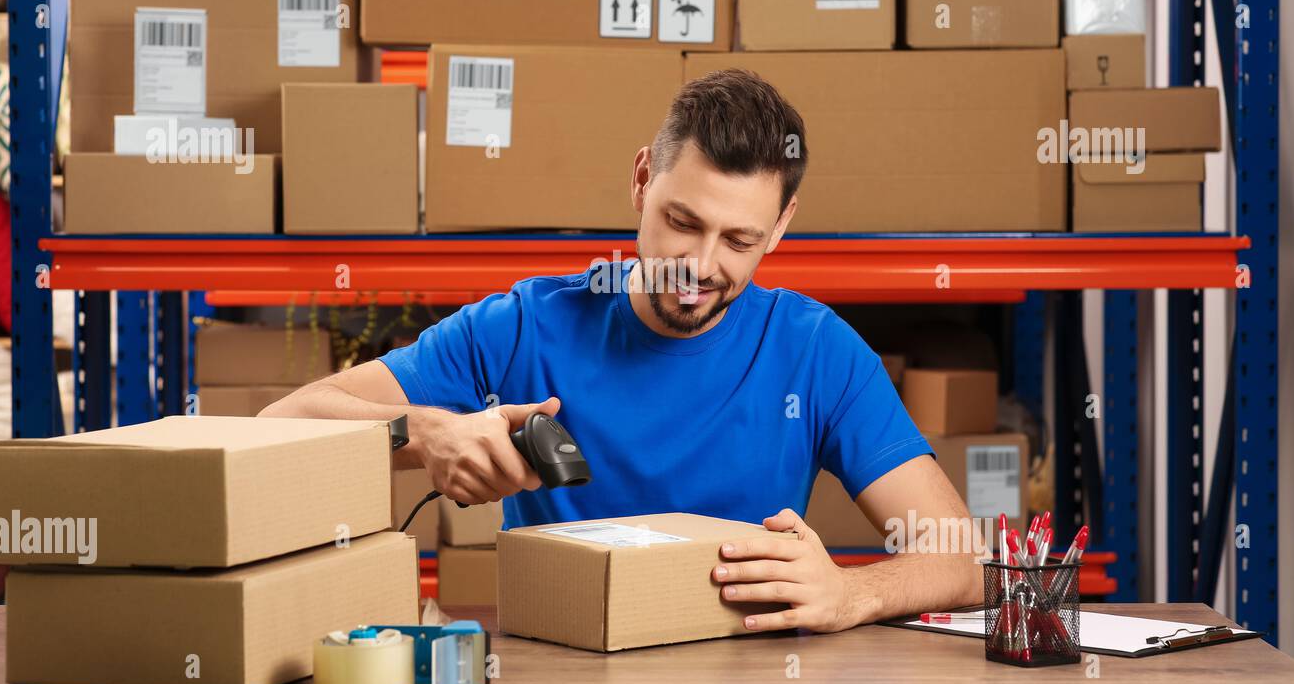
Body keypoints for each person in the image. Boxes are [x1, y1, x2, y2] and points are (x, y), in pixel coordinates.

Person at [262, 68, 984, 634]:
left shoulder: (815, 350)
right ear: (642, 180)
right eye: (681, 221)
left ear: (781, 227)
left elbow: (965, 559)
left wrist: (851, 591)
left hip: (751, 682)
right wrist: (421, 431)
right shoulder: (521, 327)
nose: (701, 266)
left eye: (740, 241)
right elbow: (278, 430)